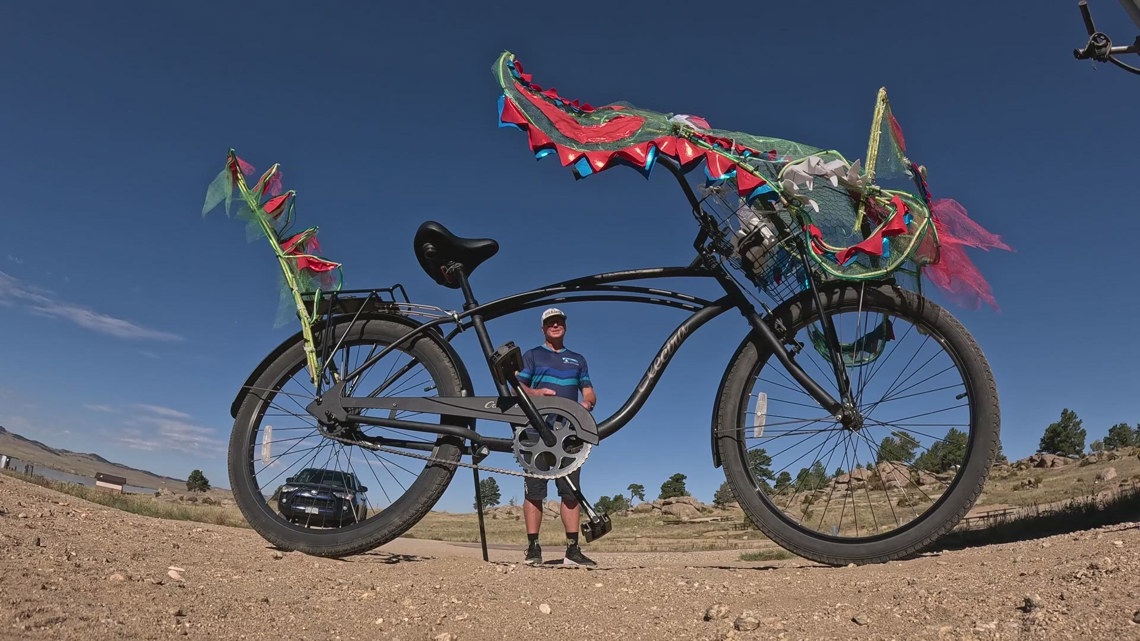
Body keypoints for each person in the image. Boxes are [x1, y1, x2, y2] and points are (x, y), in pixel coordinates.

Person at [516, 307, 597, 567]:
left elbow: (589, 391)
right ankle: (533, 549)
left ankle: (572, 551)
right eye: (550, 322)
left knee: (571, 493)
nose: (555, 325)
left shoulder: (577, 359)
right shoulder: (532, 355)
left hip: (570, 435)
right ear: (543, 328)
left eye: (559, 321)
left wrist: (587, 403)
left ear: (565, 326)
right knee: (534, 492)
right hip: (534, 432)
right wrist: (535, 393)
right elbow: (518, 386)